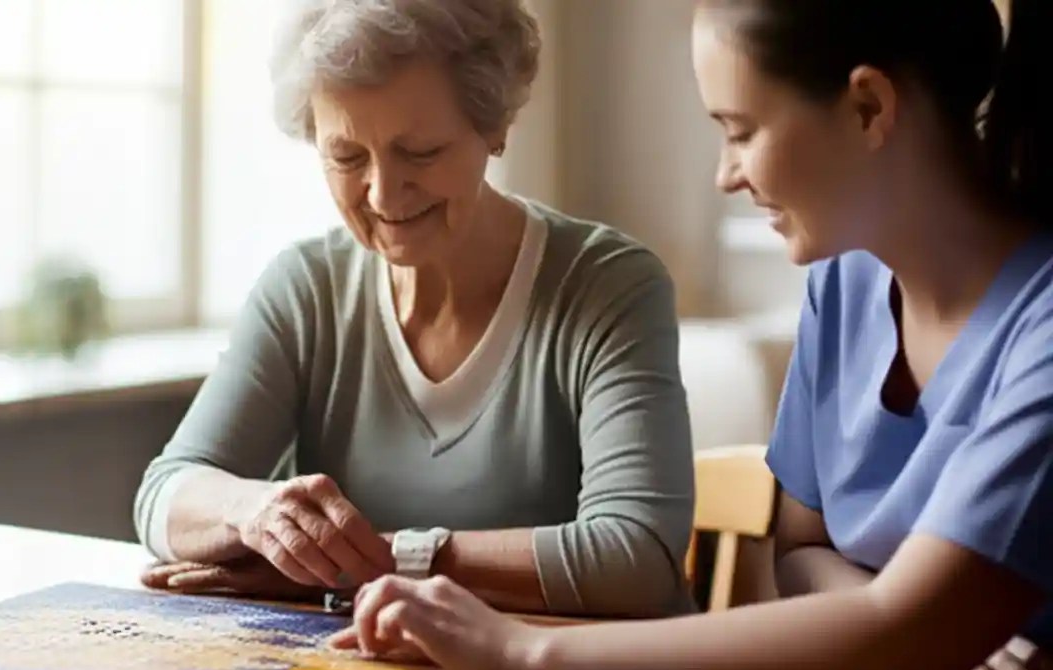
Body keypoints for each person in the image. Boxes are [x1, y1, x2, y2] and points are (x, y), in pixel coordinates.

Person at [326, 0, 1053, 670]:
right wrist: (935, 624)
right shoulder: (843, 282)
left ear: (868, 108)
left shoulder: (1041, 329)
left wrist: (517, 649)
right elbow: (800, 557)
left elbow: (892, 653)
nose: (725, 175)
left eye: (740, 131)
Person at [133, 0, 695, 619]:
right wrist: (253, 514)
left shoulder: (609, 285)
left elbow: (636, 559)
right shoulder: (305, 289)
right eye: (347, 157)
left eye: (421, 152)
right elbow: (164, 496)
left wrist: (375, 563)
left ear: (495, 126)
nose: (382, 192)